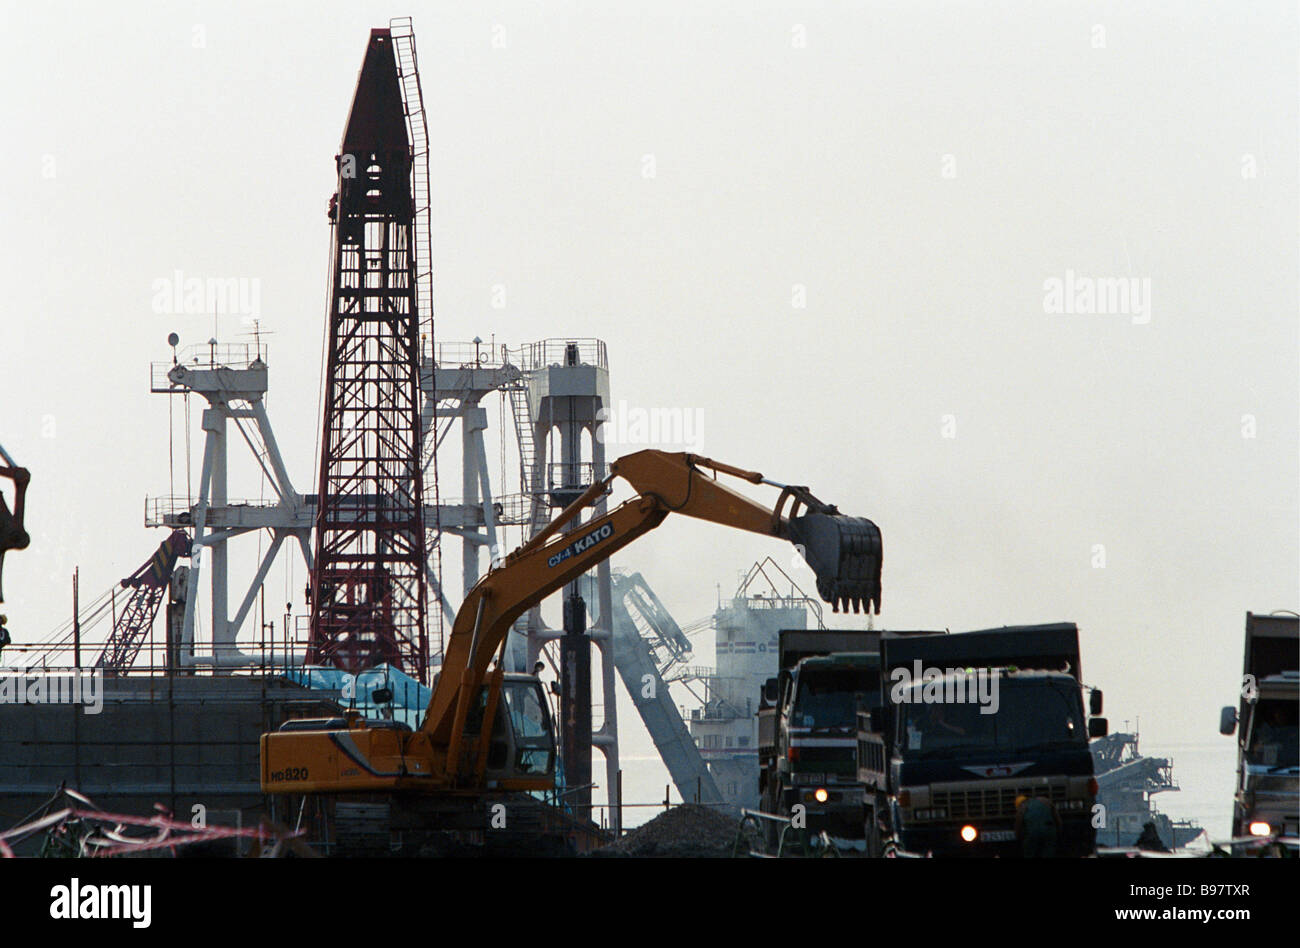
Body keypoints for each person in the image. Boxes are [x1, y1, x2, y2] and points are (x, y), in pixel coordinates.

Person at [1015, 793, 1061, 858]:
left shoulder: (1022, 808)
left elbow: (1018, 827)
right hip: (1049, 831)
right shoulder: (1045, 801)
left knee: (1030, 853)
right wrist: (1058, 832)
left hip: (1032, 833)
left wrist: (1019, 838)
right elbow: (1057, 819)